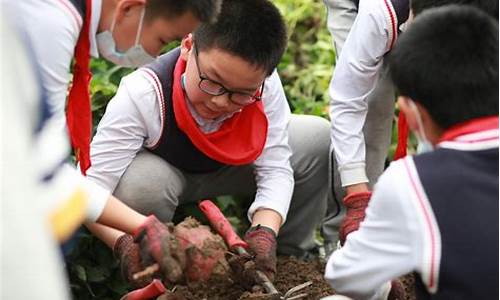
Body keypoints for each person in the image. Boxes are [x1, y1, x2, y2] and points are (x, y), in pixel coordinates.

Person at [85, 0, 331, 286]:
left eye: (240, 94)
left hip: (231, 168)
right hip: (166, 177)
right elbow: (88, 192)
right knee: (141, 185)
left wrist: (265, 230)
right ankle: (161, 276)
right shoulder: (143, 94)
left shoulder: (262, 85)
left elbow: (275, 167)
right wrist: (125, 244)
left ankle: (289, 263)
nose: (220, 101)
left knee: (316, 137)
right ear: (189, 48)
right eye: (212, 81)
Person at [323, 4, 498, 299]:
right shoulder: (380, 13)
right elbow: (348, 98)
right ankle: (342, 231)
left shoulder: (407, 181)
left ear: (411, 115)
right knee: (373, 104)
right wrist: (357, 196)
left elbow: (344, 277)